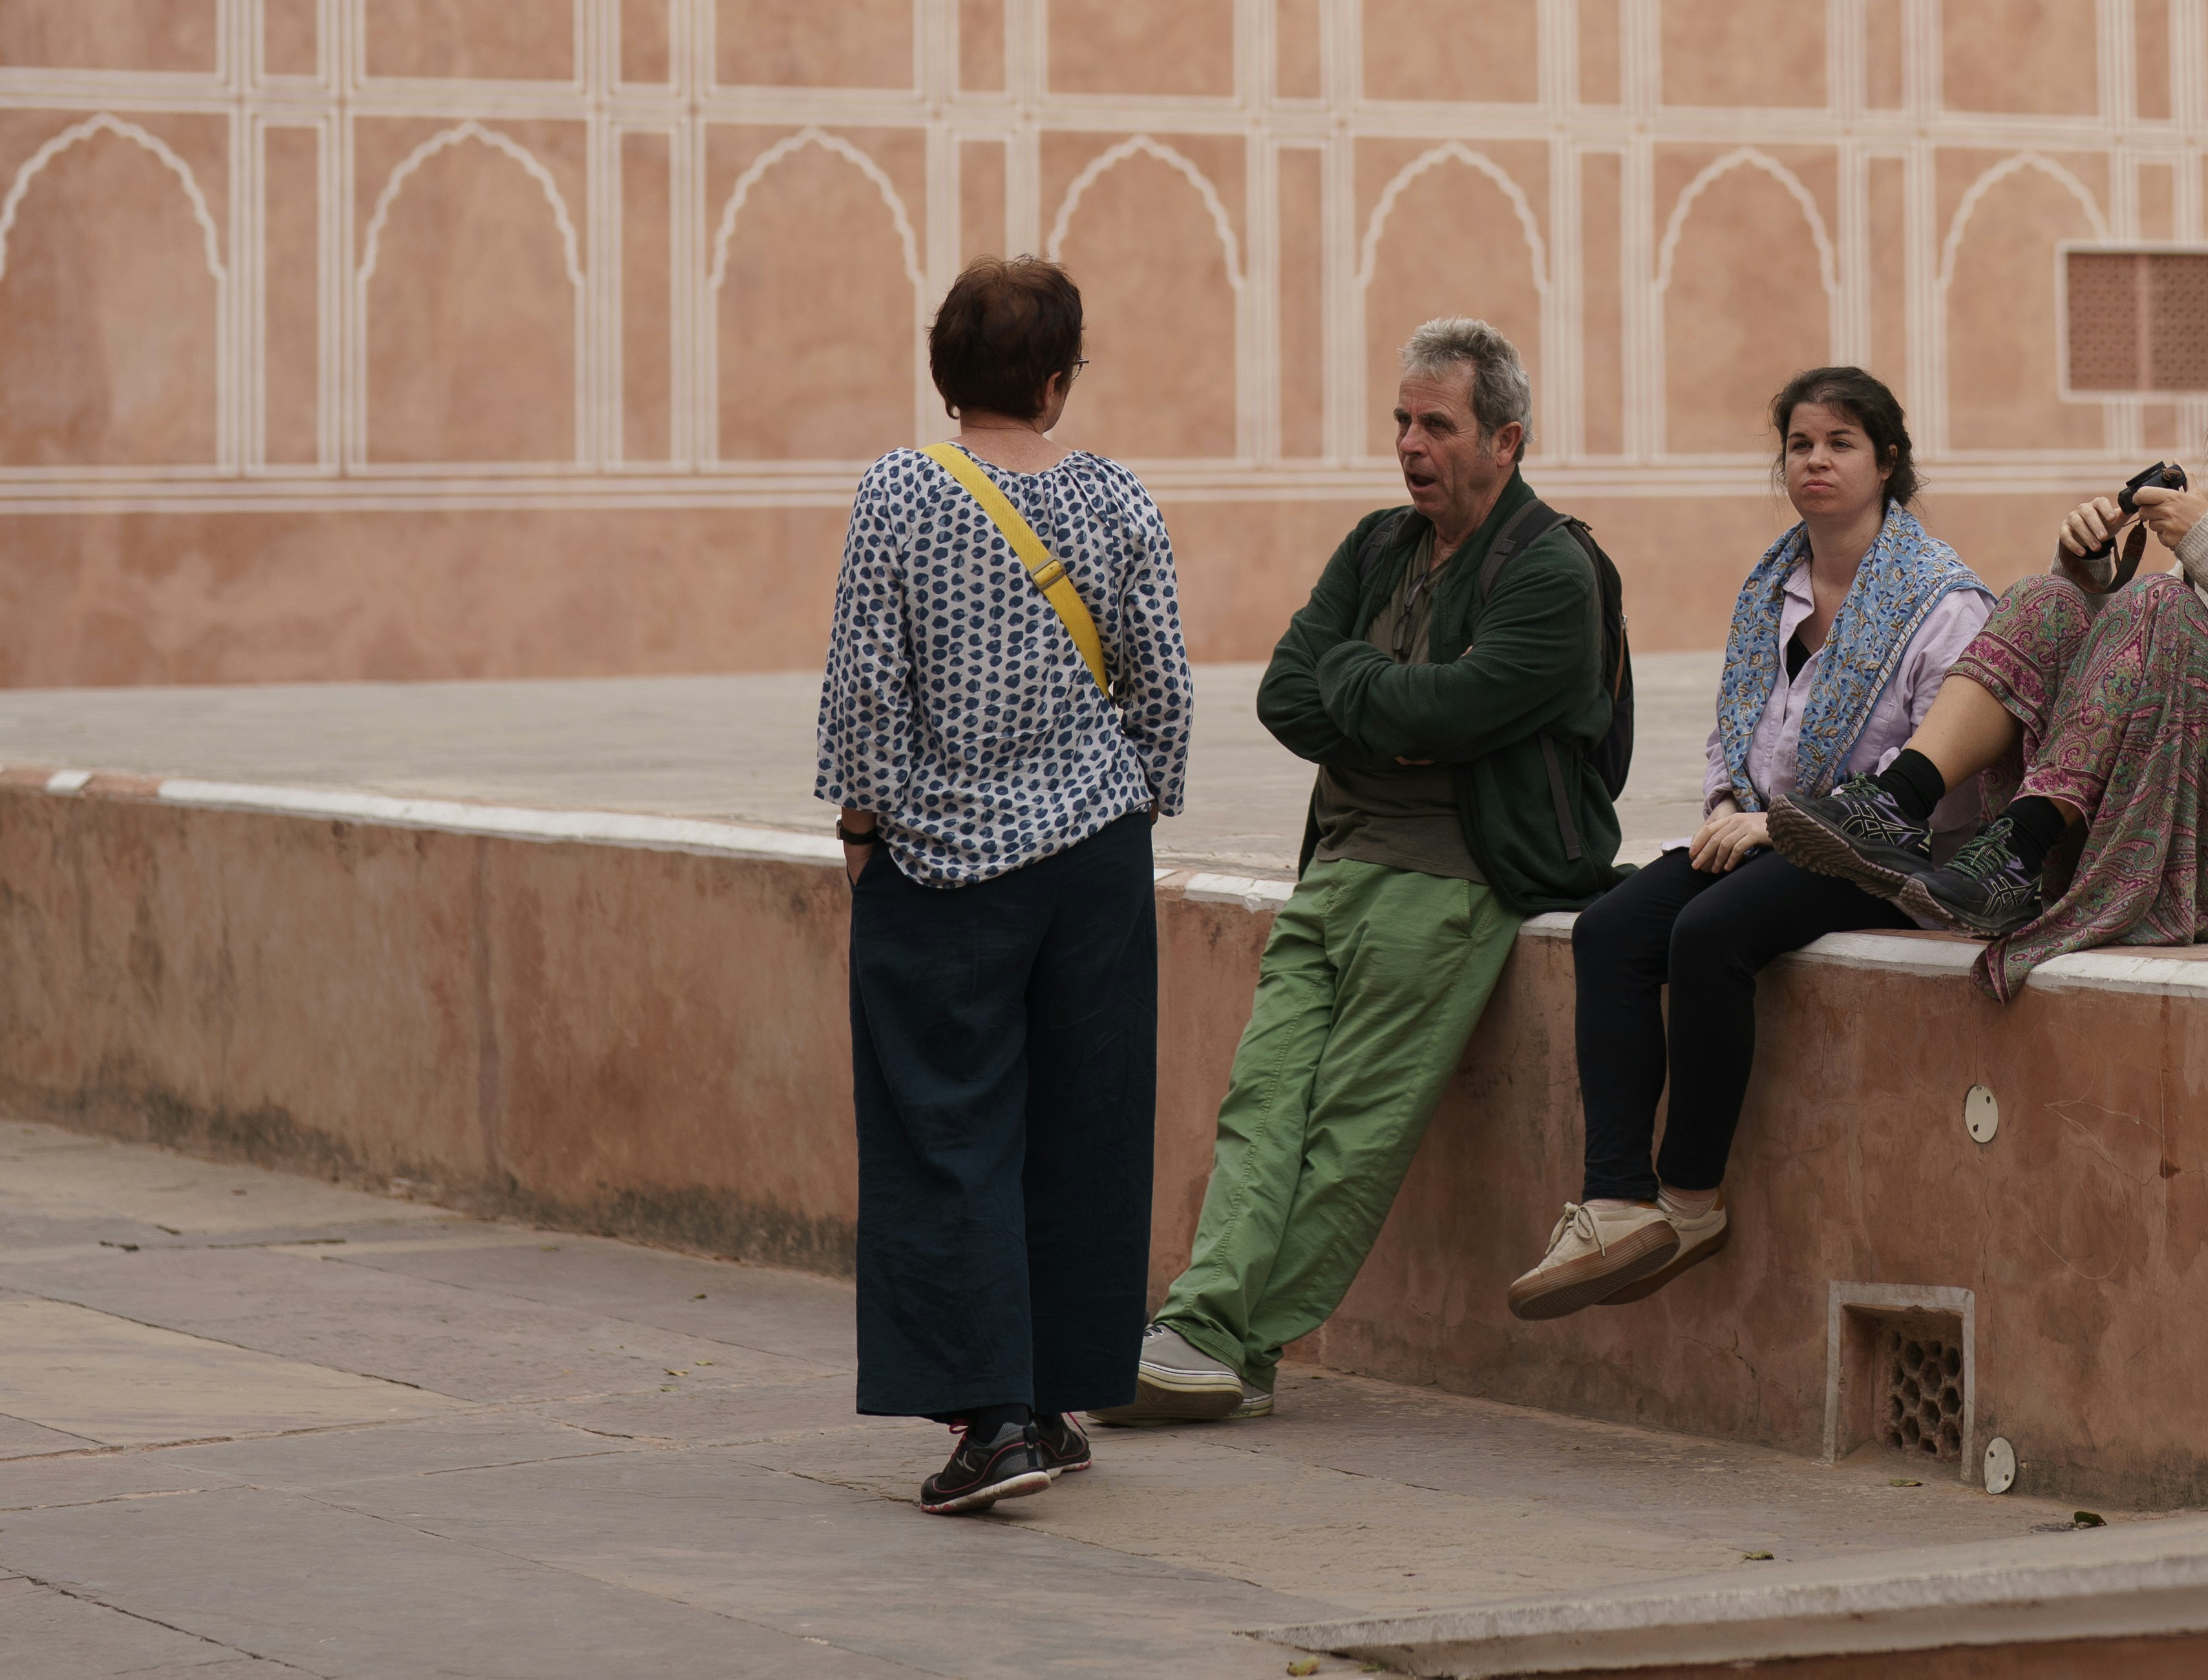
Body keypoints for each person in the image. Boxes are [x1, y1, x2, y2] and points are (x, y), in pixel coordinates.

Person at [1125, 317, 1620, 1422]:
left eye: (1436, 424)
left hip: (1449, 884)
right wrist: (1392, 709)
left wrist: (1366, 691)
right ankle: (1204, 1335)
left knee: (1353, 1129)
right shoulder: (1376, 547)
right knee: (1262, 1104)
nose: (1409, 443)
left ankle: (1223, 1339)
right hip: (1335, 866)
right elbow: (1284, 694)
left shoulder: (1552, 570)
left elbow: (1458, 706)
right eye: (1401, 419)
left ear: (1506, 438)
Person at [819, 251, 1193, 1514]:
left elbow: (865, 681)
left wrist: (862, 825)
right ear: (1054, 380)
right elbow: (1162, 682)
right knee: (1085, 1127)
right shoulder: (1116, 495)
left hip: (945, 861)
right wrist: (1131, 801)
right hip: (1095, 855)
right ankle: (1056, 1396)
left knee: (949, 1128)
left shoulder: (900, 491)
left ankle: (992, 1421)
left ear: (947, 373)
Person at [1508, 365, 1988, 1319]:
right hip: (1768, 829)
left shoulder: (1942, 601)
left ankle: (1691, 1201)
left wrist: (1781, 825)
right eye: (1801, 444)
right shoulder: (1773, 583)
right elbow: (1736, 723)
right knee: (1610, 930)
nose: (1816, 461)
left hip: (1887, 852)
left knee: (1710, 933)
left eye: (1841, 443)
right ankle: (1616, 1203)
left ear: (1887, 461)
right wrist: (1732, 802)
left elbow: (1943, 782)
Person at [1772, 335, 2208, 1001]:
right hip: (2186, 824)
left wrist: (2207, 537)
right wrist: (2085, 576)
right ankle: (1896, 800)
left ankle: (2018, 847)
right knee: (2044, 597)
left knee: (2159, 601)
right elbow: (2134, 689)